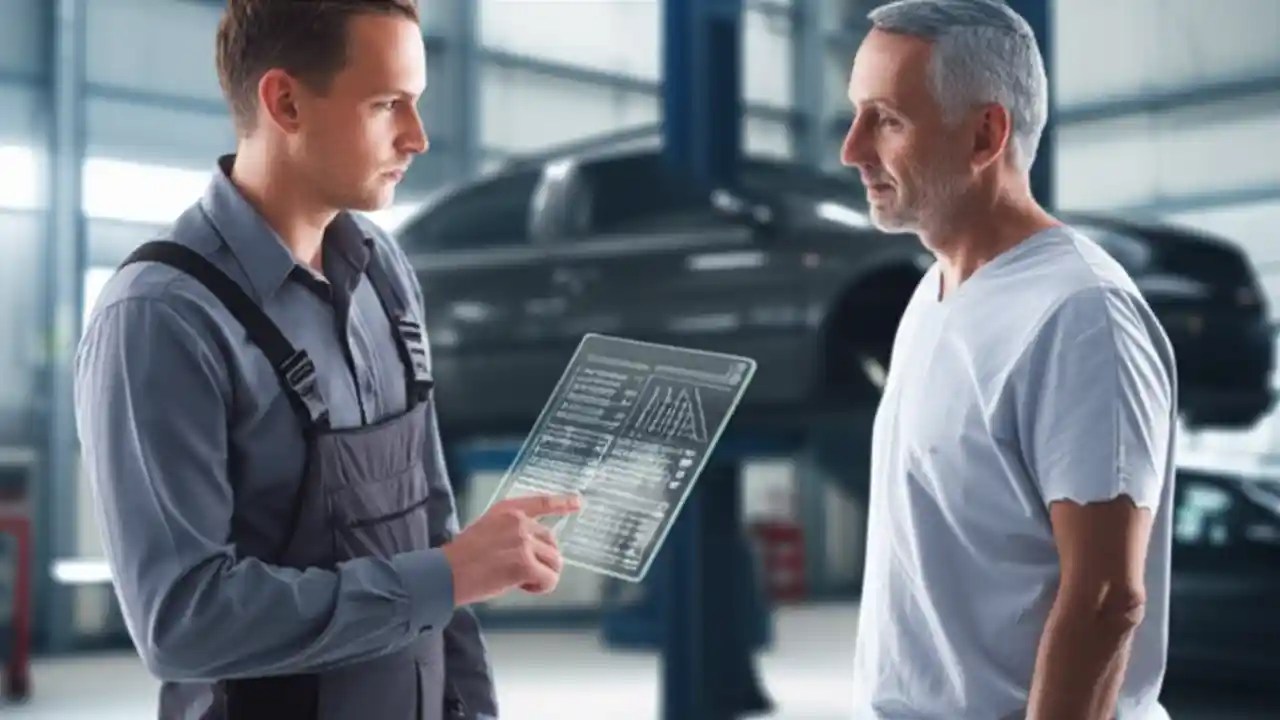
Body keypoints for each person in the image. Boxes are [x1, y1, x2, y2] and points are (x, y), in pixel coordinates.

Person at [73, 1, 579, 718]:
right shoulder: (162, 316)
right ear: (284, 102)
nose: (417, 137)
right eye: (386, 104)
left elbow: (435, 536)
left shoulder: (384, 275)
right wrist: (440, 578)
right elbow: (182, 620)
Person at [840, 1, 1177, 718]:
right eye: (855, 114)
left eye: (886, 120)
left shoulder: (1078, 313)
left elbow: (1107, 599)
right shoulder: (933, 294)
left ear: (986, 134)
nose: (851, 149)